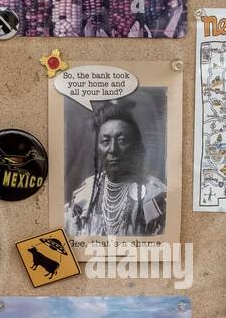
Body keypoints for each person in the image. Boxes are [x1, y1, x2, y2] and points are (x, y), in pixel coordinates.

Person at [65, 100, 166, 237]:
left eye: (122, 140)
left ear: (135, 146)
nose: (113, 149)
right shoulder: (85, 194)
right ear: (97, 149)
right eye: (105, 141)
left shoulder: (155, 195)